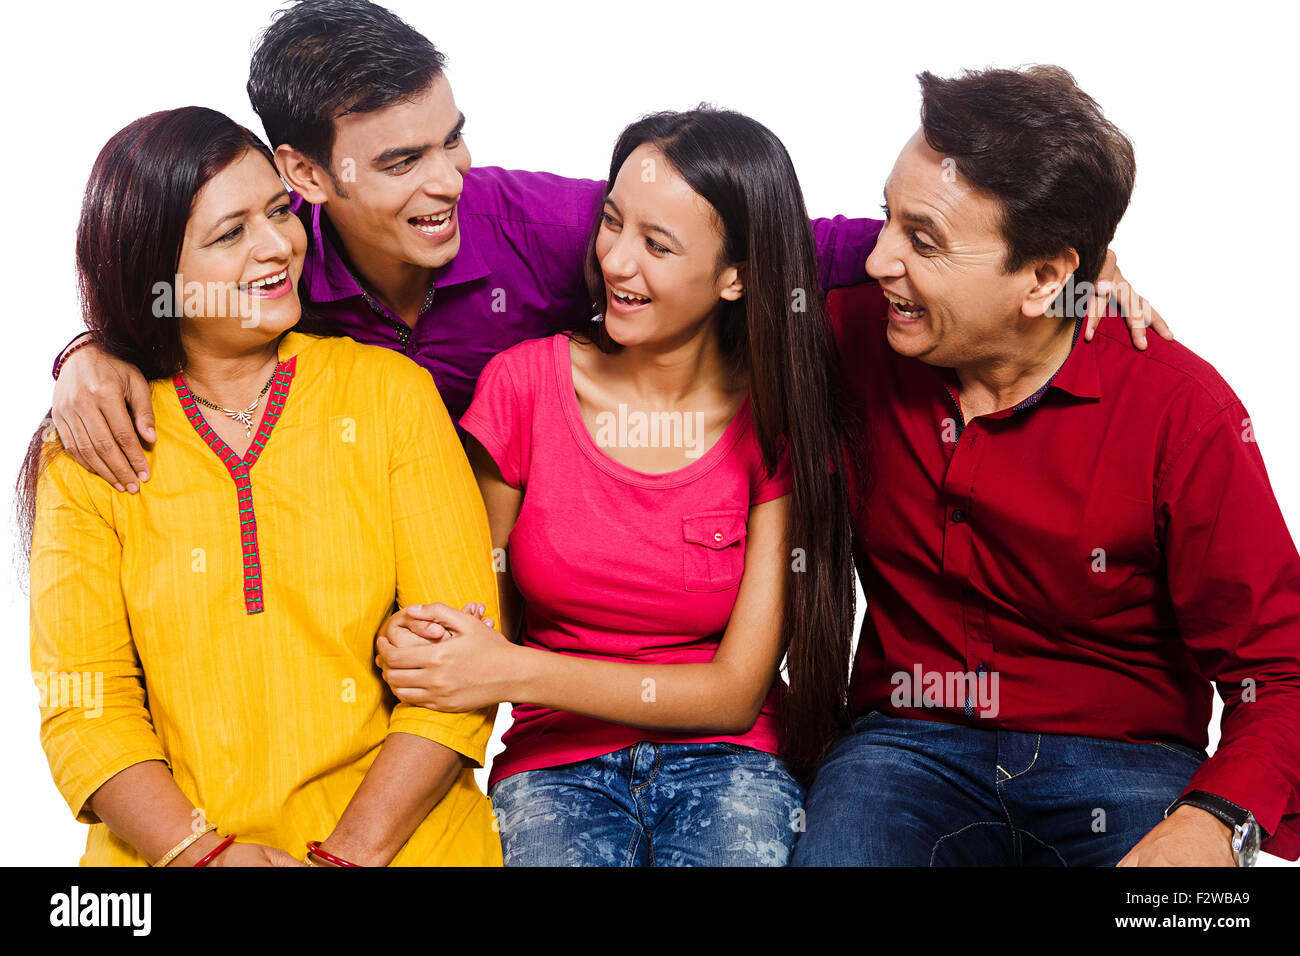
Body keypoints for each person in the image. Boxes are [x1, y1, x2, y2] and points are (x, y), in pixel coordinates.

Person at [46, 0, 1162, 494]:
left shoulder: (534, 221)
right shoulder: (276, 267)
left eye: (452, 139)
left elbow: (779, 241)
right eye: (398, 165)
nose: (446, 181)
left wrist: (1058, 259)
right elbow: (174, 298)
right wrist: (85, 351)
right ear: (303, 175)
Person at [793, 66, 1300, 867]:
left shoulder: (1181, 409)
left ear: (1044, 278)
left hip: (1128, 762)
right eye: (884, 217)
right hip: (904, 749)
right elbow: (684, 248)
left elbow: (1280, 670)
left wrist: (1213, 820)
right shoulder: (845, 334)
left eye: (922, 240)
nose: (879, 258)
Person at [21, 107, 502, 867]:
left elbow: (461, 670)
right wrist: (201, 855)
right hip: (170, 854)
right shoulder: (92, 444)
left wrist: (344, 855)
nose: (279, 244)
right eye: (229, 232)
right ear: (155, 276)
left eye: (279, 210)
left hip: (406, 845)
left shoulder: (388, 395)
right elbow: (87, 707)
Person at [376, 107, 854, 866]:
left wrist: (516, 669)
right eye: (612, 223)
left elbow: (734, 691)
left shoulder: (775, 421)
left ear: (738, 276)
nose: (616, 262)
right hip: (553, 766)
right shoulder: (522, 387)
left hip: (732, 764)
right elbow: (473, 617)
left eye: (657, 245)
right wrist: (421, 638)